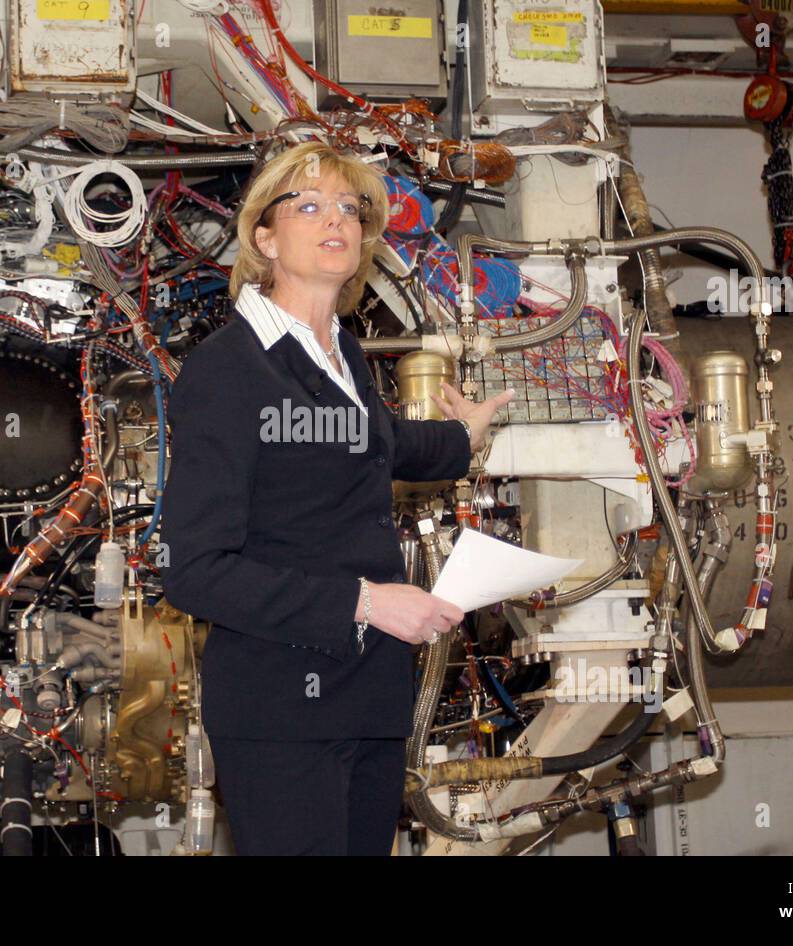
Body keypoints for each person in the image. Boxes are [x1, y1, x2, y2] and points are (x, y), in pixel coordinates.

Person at [160, 141, 513, 855]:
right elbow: (194, 569)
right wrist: (367, 601)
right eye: (311, 205)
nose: (337, 222)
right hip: (283, 708)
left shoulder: (340, 354)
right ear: (264, 236)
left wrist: (459, 439)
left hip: (368, 696)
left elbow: (374, 444)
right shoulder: (229, 371)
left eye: (351, 209)